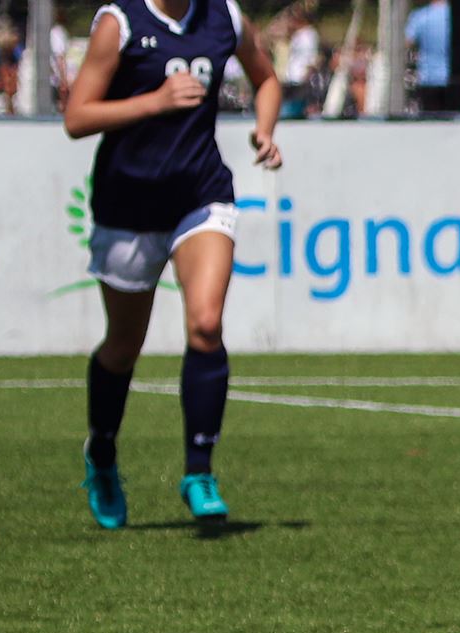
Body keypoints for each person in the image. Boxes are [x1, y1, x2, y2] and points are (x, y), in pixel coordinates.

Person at [64, 0, 282, 528]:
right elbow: (77, 117)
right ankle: (102, 454)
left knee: (206, 324)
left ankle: (199, 472)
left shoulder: (224, 16)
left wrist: (265, 129)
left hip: (201, 194)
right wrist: (155, 101)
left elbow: (267, 78)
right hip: (127, 205)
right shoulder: (119, 22)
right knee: (123, 346)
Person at [405, 0, 460, 113]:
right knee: (456, 120)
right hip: (455, 80)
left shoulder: (420, 16)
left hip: (428, 80)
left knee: (430, 120)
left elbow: (406, 45)